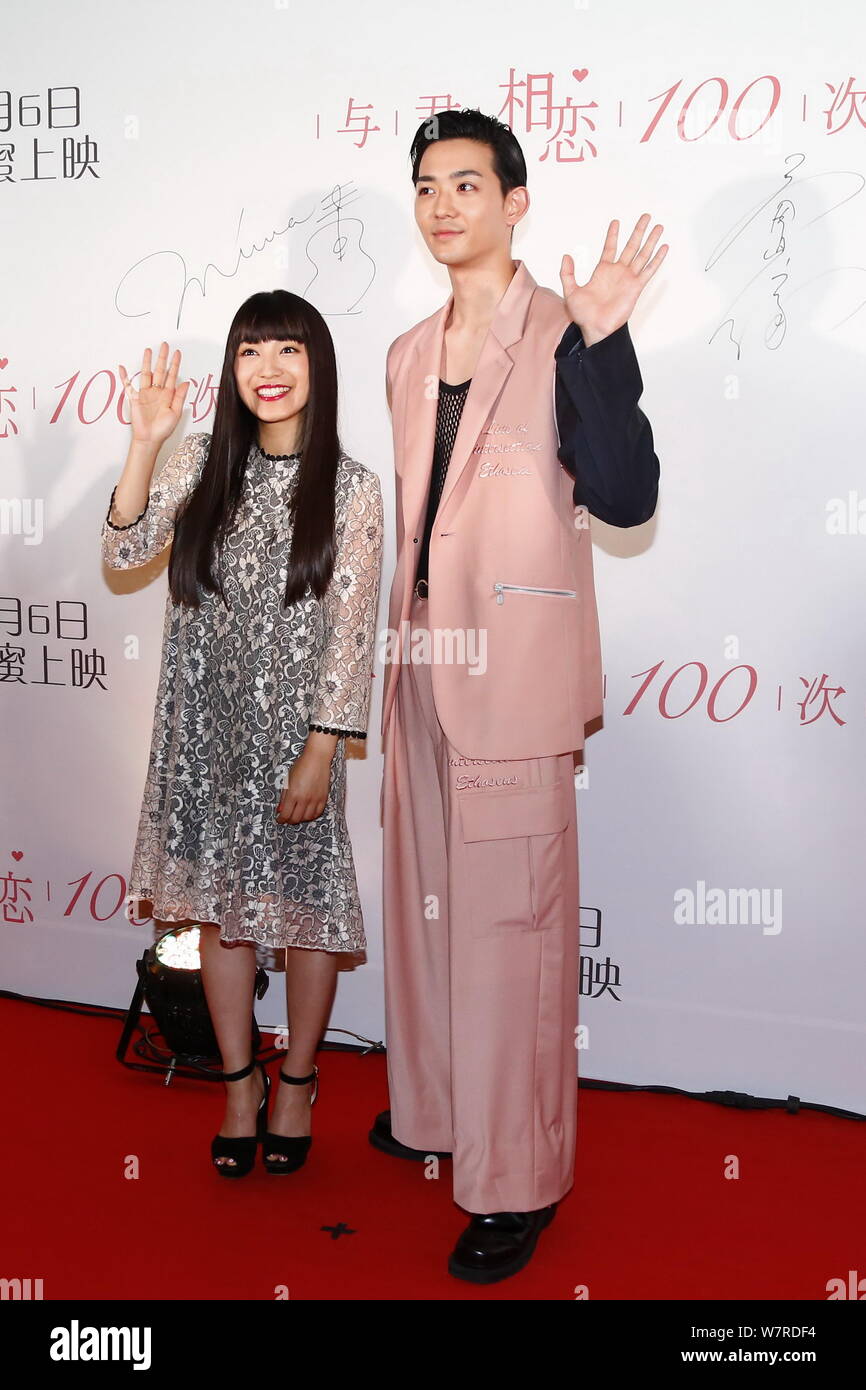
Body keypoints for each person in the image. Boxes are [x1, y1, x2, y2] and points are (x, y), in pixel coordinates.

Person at [372, 108, 665, 1282]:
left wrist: (601, 347)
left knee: (510, 942)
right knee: (429, 920)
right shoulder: (402, 352)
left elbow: (626, 495)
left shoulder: (562, 332)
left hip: (515, 680)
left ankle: (518, 1179)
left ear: (514, 201)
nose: (444, 206)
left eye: (466, 185)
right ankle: (441, 1115)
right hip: (417, 678)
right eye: (426, 187)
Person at [101, 290, 383, 1178]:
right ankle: (237, 1084)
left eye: (288, 351)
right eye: (251, 351)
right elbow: (121, 554)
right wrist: (144, 443)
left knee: (301, 919)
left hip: (298, 740)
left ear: (318, 368)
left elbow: (351, 630)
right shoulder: (198, 463)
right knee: (223, 919)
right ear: (232, 370)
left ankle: (296, 1079)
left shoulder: (353, 491)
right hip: (206, 736)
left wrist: (322, 746)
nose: (268, 369)